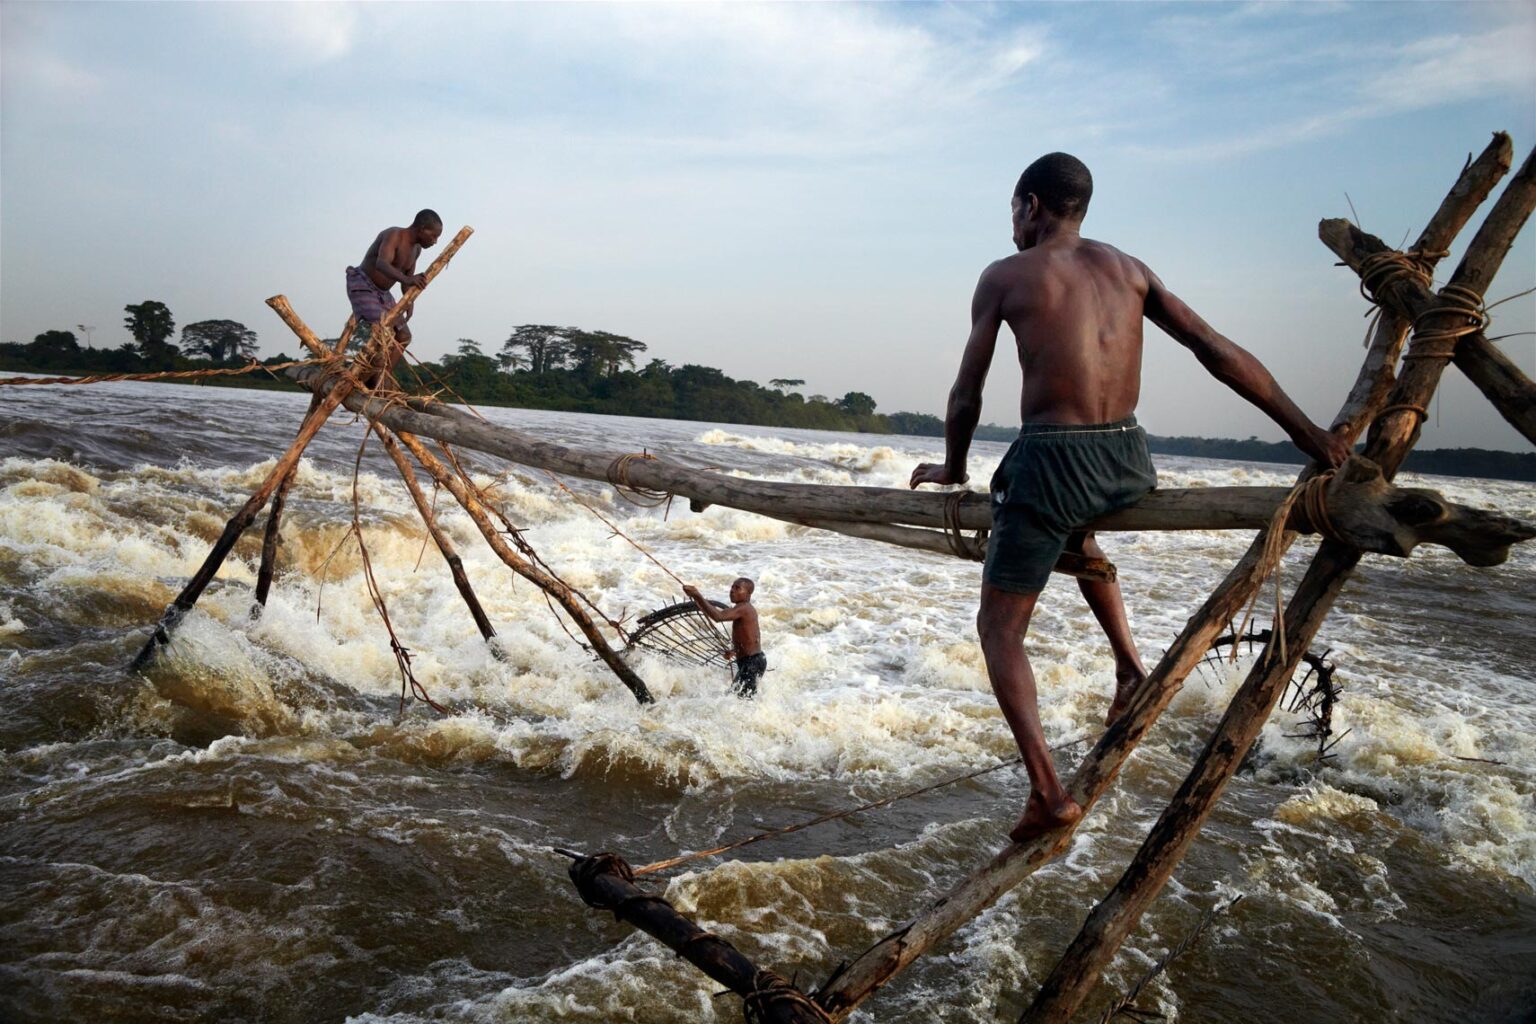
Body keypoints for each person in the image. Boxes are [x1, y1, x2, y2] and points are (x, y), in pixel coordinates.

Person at [910, 153, 1350, 845]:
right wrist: (1310, 435)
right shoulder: (1130, 268)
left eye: (1012, 211)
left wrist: (954, 468)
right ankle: (1129, 666)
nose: (1011, 225)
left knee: (999, 630)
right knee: (1073, 530)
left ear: (1030, 205)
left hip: (1055, 458)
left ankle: (1047, 793)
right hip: (1126, 457)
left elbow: (968, 391)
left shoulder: (1005, 275)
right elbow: (1216, 349)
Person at [345, 209, 443, 351]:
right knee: (385, 332)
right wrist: (408, 280)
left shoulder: (416, 250)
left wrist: (409, 301)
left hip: (383, 294)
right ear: (422, 229)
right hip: (363, 285)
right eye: (433, 236)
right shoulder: (394, 235)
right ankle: (374, 363)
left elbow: (407, 281)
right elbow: (381, 263)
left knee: (404, 337)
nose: (435, 241)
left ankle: (382, 367)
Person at [682, 578, 765, 698]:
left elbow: (718, 616)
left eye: (737, 588)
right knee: (738, 698)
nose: (732, 590)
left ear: (748, 594)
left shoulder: (744, 608)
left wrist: (697, 595)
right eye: (732, 587)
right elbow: (751, 638)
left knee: (741, 700)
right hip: (752, 660)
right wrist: (735, 651)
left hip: (752, 662)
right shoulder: (742, 609)